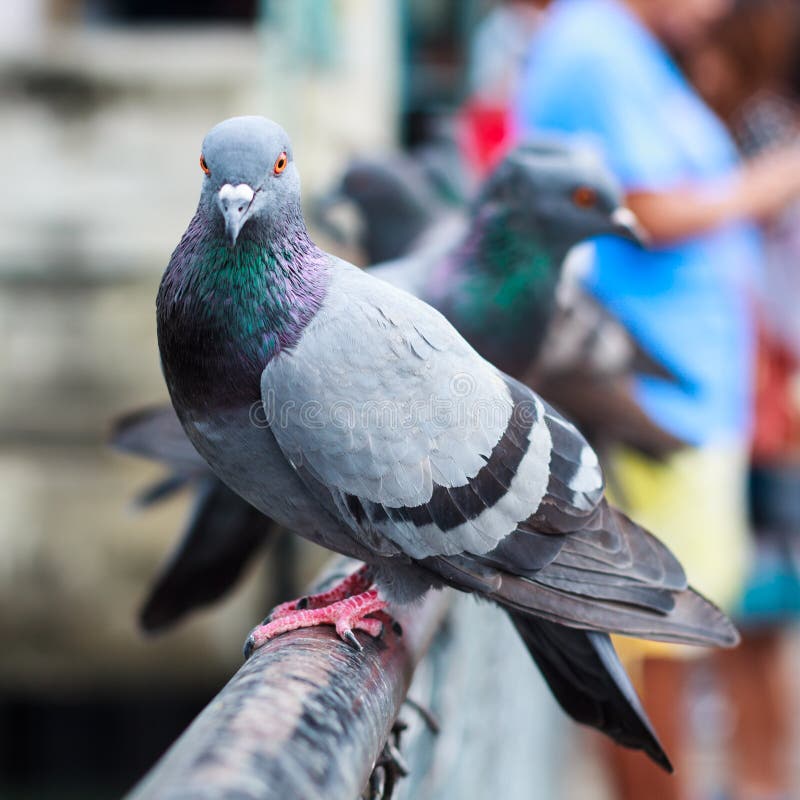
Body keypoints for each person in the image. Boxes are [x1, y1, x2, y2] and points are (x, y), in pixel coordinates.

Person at [514, 1, 800, 798]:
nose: (720, 10)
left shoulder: (628, 48)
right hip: (648, 409)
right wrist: (767, 184)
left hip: (686, 401)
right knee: (651, 644)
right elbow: (634, 210)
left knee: (669, 638)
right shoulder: (596, 46)